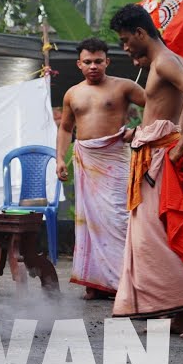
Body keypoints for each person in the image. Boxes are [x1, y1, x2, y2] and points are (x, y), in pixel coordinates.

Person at [109, 3, 183, 339]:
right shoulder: (162, 62)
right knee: (162, 235)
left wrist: (180, 146)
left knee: (151, 240)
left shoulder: (165, 63)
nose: (125, 47)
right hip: (152, 156)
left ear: (140, 33)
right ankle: (180, 313)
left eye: (126, 40)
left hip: (159, 159)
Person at [55, 38, 146, 300]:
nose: (93, 66)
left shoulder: (124, 86)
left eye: (98, 61)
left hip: (116, 158)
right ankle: (96, 282)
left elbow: (157, 105)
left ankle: (124, 282)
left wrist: (138, 131)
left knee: (120, 218)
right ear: (79, 64)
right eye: (88, 62)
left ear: (107, 61)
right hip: (86, 160)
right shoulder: (72, 93)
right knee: (90, 222)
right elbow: (66, 128)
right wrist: (60, 158)